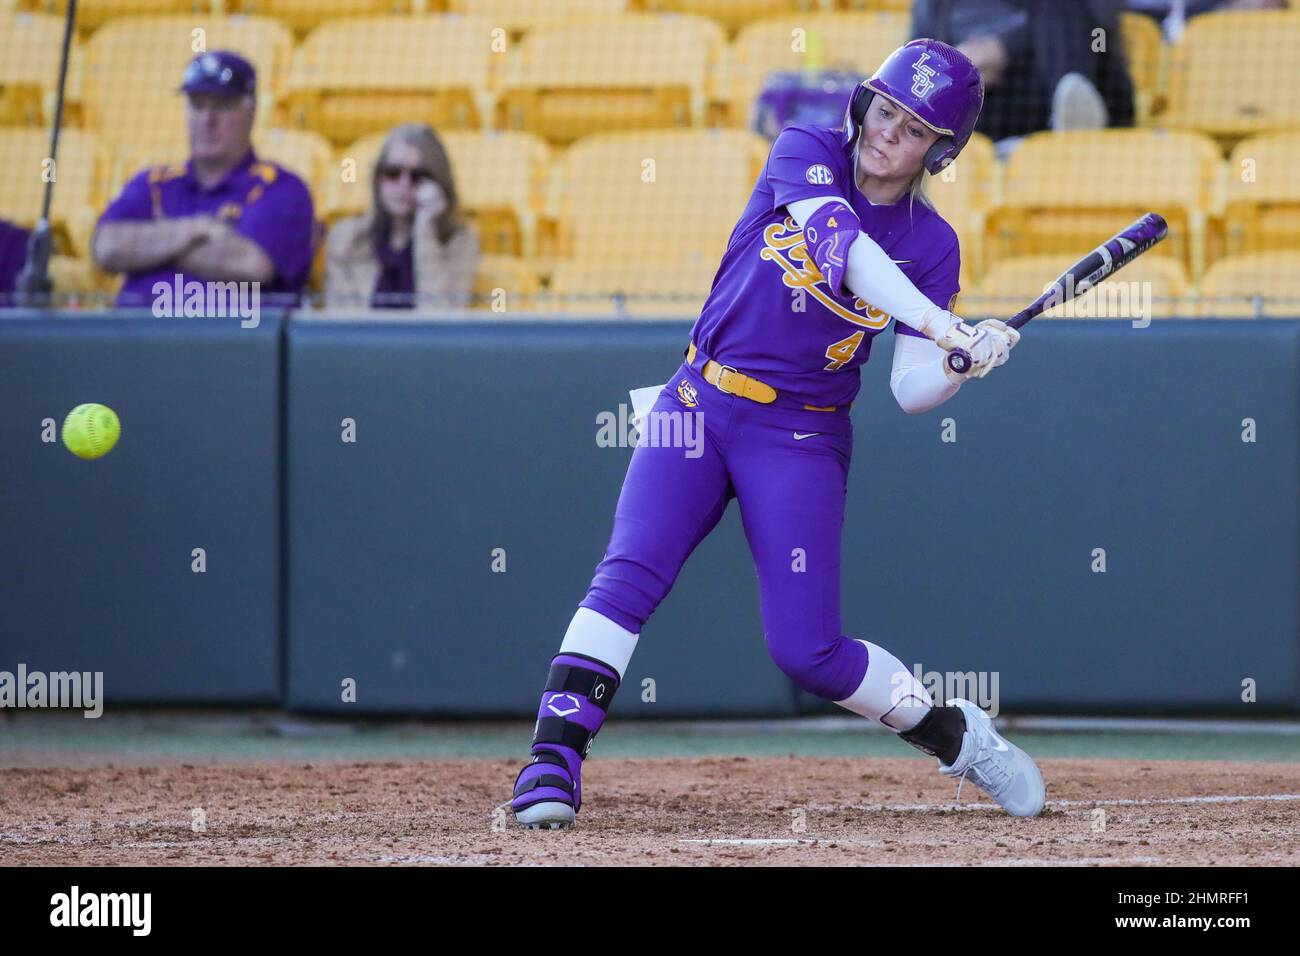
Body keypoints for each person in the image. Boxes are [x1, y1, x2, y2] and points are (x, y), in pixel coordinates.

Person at [509, 39, 1045, 830]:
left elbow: (909, 391)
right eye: (887, 109)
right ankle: (552, 760)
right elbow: (841, 245)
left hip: (799, 436)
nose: (889, 132)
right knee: (627, 573)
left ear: (942, 150)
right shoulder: (807, 148)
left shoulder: (933, 246)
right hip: (699, 400)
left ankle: (955, 735)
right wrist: (941, 322)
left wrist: (963, 360)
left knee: (807, 653)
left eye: (915, 127)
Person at [92, 51, 315, 308]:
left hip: (236, 340)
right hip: (137, 339)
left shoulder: (282, 188)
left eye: (223, 106)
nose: (208, 120)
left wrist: (152, 245)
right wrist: (199, 229)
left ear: (252, 111)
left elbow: (250, 265)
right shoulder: (153, 183)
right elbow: (106, 247)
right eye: (197, 105)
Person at [912, 0, 1135, 149]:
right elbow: (918, 61)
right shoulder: (934, 5)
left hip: (1056, 84)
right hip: (982, 100)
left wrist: (1004, 48)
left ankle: (1072, 136)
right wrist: (959, 68)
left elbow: (1101, 19)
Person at [323, 123, 479, 311]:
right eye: (393, 173)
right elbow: (341, 325)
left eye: (418, 176)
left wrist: (425, 231)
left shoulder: (461, 241)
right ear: (378, 177)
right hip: (364, 340)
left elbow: (441, 319)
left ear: (438, 181)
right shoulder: (346, 239)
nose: (404, 185)